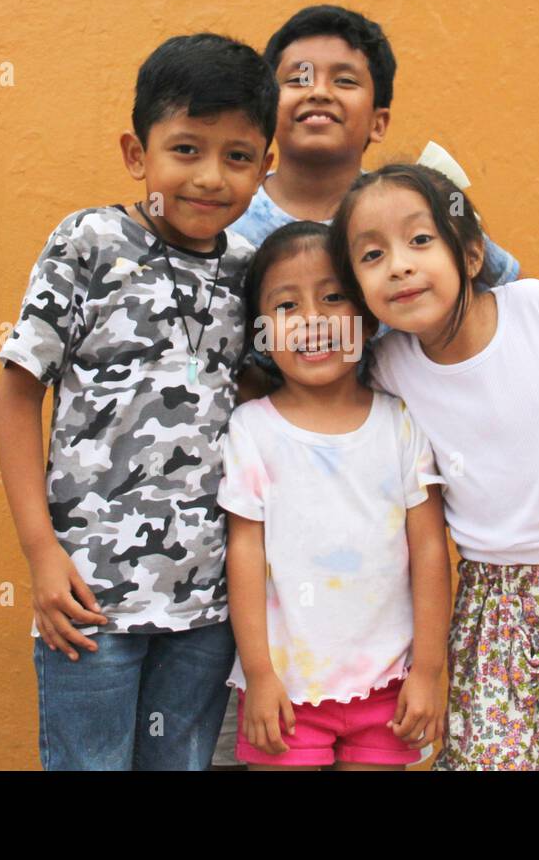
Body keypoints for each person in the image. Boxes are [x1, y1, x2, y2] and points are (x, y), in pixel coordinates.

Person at [212, 3, 522, 767]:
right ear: (267, 108)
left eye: (343, 80)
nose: (318, 92)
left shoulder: (401, 211)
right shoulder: (229, 221)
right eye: (296, 78)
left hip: (392, 491)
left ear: (377, 118)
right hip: (276, 511)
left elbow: (496, 290)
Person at [0, 32, 278, 770]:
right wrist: (40, 553)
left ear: (265, 168)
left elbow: (255, 400)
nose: (211, 177)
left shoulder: (252, 270)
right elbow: (19, 396)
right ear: (136, 153)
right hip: (88, 597)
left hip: (206, 606)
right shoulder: (89, 242)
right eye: (187, 149)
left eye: (238, 157)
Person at [328, 163, 539, 770]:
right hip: (487, 592)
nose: (399, 265)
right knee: (491, 755)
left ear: (473, 254)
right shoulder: (389, 367)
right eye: (372, 255)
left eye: (420, 240)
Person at [218, 221, 450, 770]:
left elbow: (431, 551)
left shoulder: (400, 421)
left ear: (368, 318)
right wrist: (258, 674)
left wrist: (428, 671)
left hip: (392, 686)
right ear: (261, 334)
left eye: (332, 297)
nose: (313, 321)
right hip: (286, 691)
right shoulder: (252, 429)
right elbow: (244, 554)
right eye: (286, 306)